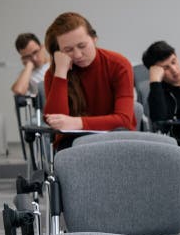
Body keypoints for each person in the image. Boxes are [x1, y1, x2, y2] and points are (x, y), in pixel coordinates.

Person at [43, 12, 136, 147]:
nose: (77, 55)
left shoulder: (119, 65)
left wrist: (77, 123)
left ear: (94, 38)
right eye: (68, 50)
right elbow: (57, 124)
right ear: (59, 52)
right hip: (74, 143)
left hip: (114, 139)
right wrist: (61, 72)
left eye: (82, 46)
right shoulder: (55, 73)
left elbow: (124, 120)